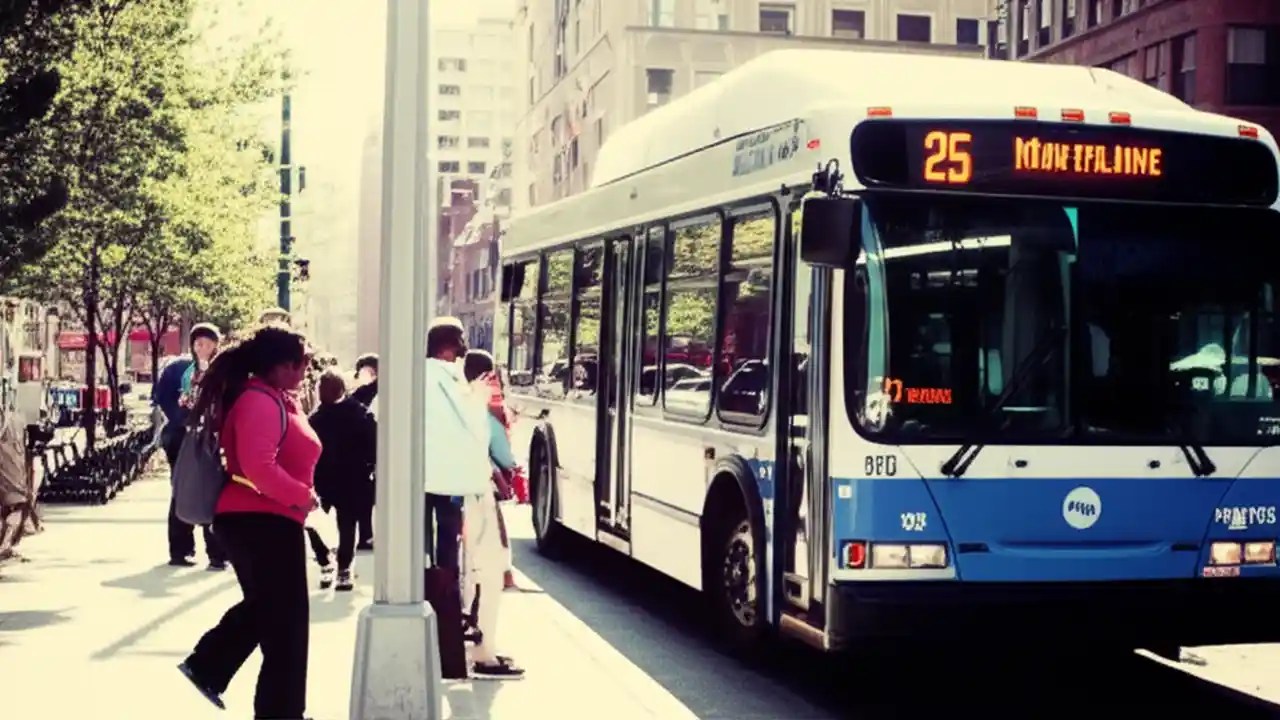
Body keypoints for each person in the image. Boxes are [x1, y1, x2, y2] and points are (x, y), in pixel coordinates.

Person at [176, 324, 321, 720]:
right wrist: (302, 496)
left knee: (278, 619)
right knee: (286, 624)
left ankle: (224, 674)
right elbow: (259, 466)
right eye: (303, 361)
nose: (308, 368)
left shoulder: (277, 397)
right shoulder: (258, 401)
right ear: (280, 365)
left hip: (268, 521)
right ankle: (215, 667)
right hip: (260, 522)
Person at [152, 323, 229, 570]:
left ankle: (217, 552)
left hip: (211, 438)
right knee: (182, 489)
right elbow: (162, 397)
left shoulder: (223, 371)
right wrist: (182, 417)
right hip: (180, 438)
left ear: (217, 345)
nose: (202, 348)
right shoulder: (179, 369)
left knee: (213, 490)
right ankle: (180, 549)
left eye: (208, 343)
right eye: (198, 343)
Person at [308, 369, 376, 592]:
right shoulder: (359, 414)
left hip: (321, 479)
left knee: (313, 523)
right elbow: (373, 446)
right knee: (347, 526)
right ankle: (344, 570)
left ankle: (325, 561)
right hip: (353, 478)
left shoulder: (314, 420)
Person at [463, 350, 521, 590]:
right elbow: (501, 451)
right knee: (496, 530)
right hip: (482, 477)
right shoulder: (486, 405)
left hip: (454, 477)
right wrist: (511, 468)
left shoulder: (458, 395)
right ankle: (505, 575)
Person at [349, 353, 378, 550]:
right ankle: (368, 535)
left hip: (364, 455)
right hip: (373, 452)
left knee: (364, 501)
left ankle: (366, 535)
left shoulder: (359, 395)